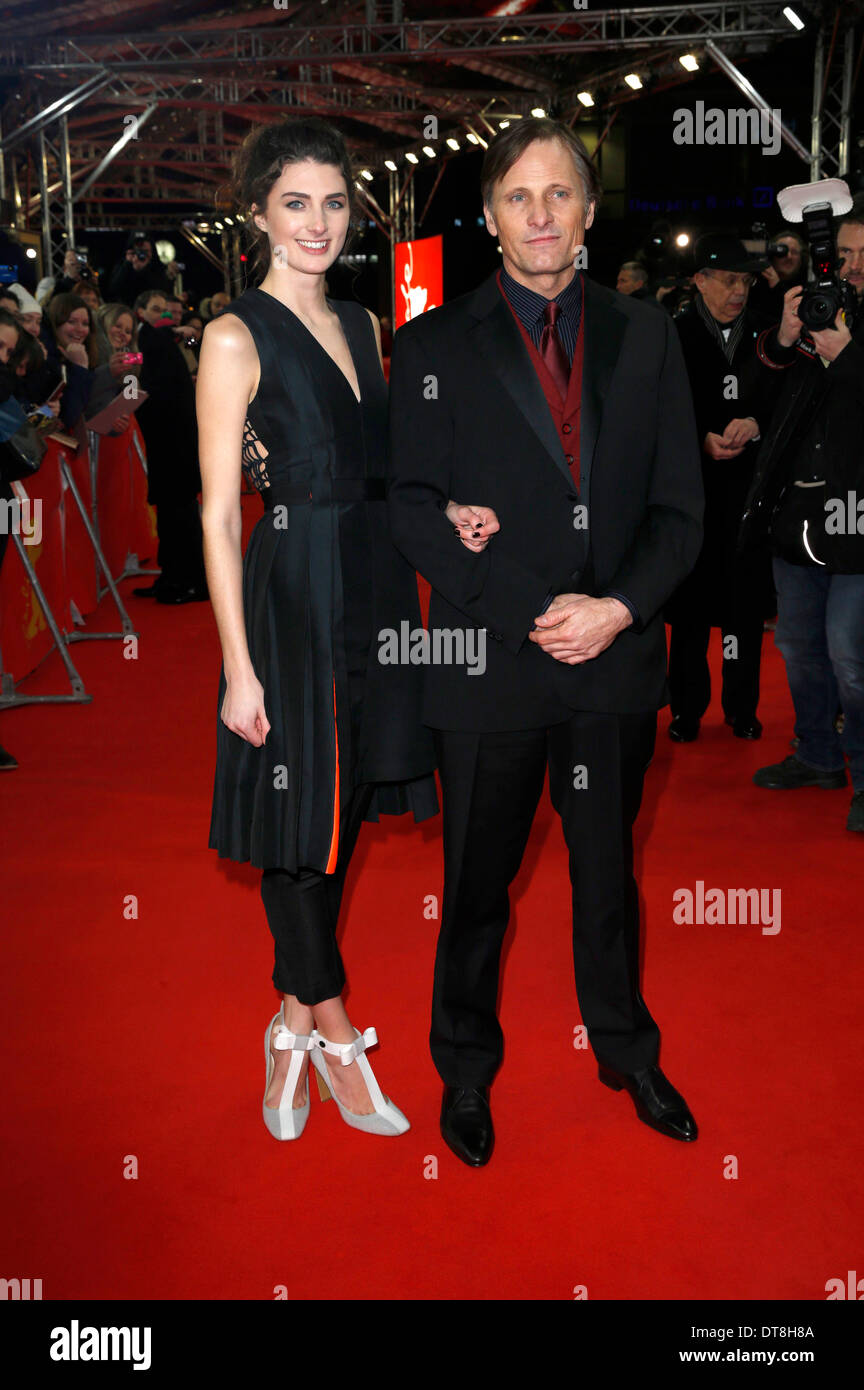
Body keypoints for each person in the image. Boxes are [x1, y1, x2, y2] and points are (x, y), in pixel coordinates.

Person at [388, 117, 705, 1167]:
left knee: (607, 879)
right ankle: (465, 1069)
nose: (539, 215)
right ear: (489, 216)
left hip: (612, 661)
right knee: (477, 888)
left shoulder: (646, 335)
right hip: (490, 663)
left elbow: (680, 511)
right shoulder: (432, 345)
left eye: (559, 194)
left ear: (586, 210)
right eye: (519, 197)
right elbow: (416, 511)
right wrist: (534, 607)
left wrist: (613, 610)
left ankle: (627, 1049)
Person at [197, 117, 439, 1142]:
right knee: (301, 821)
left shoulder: (369, 327)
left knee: (341, 812)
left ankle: (285, 1022)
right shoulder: (231, 336)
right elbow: (215, 514)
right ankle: (333, 1028)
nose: (318, 222)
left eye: (335, 203)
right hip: (292, 587)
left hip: (378, 584)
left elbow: (392, 468)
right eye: (296, 202)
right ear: (260, 215)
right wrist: (235, 671)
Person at [741, 195, 864, 833]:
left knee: (851, 653)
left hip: (857, 522)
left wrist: (847, 356)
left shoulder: (848, 334)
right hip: (797, 515)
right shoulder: (816, 316)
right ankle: (818, 753)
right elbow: (756, 400)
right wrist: (787, 340)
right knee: (799, 646)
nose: (855, 266)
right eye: (846, 254)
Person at [664, 233, 776, 742]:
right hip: (692, 497)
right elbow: (655, 418)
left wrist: (755, 423)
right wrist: (698, 441)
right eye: (729, 280)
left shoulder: (766, 335)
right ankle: (687, 711)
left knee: (745, 611)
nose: (740, 290)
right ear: (700, 280)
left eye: (747, 281)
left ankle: (742, 709)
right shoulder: (672, 335)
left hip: (751, 497)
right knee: (688, 615)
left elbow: (784, 402)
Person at [130, 287, 207, 603]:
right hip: (171, 442)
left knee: (181, 515)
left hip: (176, 443)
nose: (165, 315)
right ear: (140, 312)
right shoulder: (152, 339)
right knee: (174, 514)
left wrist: (183, 333)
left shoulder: (158, 338)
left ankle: (190, 582)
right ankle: (173, 578)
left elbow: (191, 348)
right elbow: (140, 365)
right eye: (158, 309)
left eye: (169, 310)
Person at [105, 231, 173, 308]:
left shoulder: (159, 268)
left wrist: (145, 270)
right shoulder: (122, 266)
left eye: (146, 251)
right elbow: (113, 289)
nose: (142, 255)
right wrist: (127, 265)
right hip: (127, 309)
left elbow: (162, 291)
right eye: (139, 251)